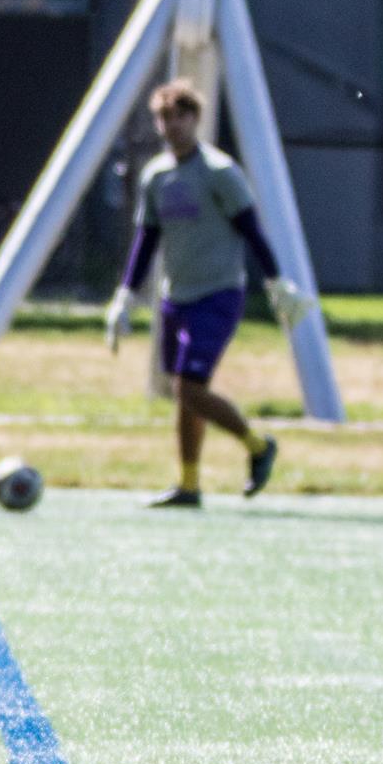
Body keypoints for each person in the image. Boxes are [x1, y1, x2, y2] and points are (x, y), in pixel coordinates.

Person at [105, 78, 313, 508]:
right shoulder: (156, 175)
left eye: (180, 116)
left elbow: (251, 229)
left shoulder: (219, 171)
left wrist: (275, 280)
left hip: (217, 294)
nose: (172, 125)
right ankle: (188, 484)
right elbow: (147, 239)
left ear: (195, 118)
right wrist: (125, 293)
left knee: (190, 388)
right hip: (175, 296)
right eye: (164, 117)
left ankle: (258, 446)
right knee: (185, 393)